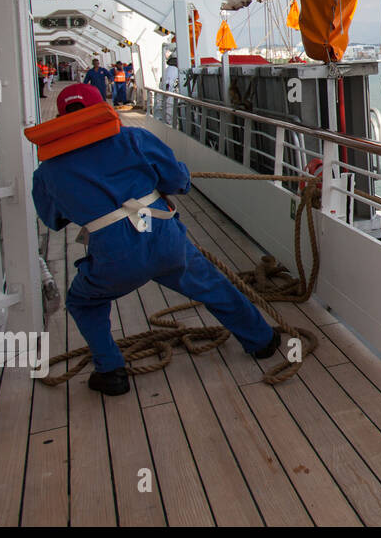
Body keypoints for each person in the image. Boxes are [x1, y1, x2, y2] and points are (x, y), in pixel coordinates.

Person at [30, 83, 280, 395]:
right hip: (160, 232)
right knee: (211, 283)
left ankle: (110, 372)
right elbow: (176, 180)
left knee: (83, 301)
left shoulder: (48, 171)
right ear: (101, 108)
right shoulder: (133, 138)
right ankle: (263, 341)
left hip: (113, 254)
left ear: (62, 116)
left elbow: (53, 219)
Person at [161, 54, 180, 125]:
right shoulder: (174, 70)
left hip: (169, 93)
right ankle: (171, 123)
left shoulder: (168, 69)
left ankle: (170, 122)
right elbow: (170, 83)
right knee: (170, 108)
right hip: (171, 93)